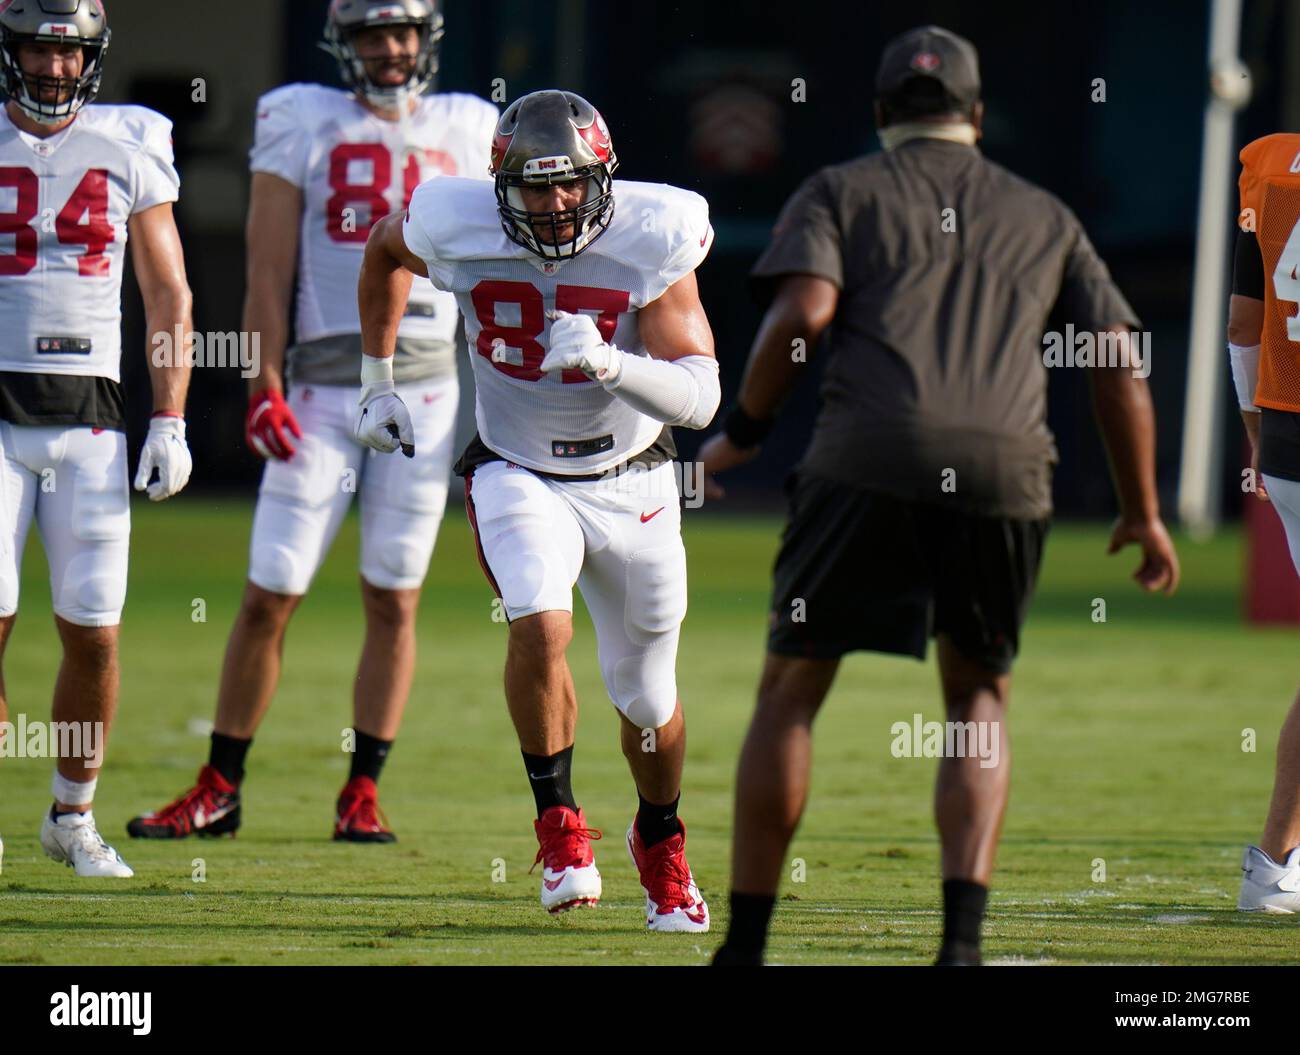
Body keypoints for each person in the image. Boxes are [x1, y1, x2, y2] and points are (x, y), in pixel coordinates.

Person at [704, 25, 1180, 964]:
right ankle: (959, 945)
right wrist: (1143, 509)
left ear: (881, 113)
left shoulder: (840, 189)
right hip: (1005, 474)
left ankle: (746, 947)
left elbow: (803, 313)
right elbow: (1119, 357)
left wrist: (744, 434)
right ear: (976, 115)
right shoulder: (1044, 215)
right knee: (975, 697)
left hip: (861, 463)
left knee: (792, 691)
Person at [127, 0, 495, 843]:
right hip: (325, 390)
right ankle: (221, 783)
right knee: (269, 592)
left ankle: (361, 790)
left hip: (430, 386)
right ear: (345, 41)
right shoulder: (301, 115)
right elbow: (267, 264)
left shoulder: (471, 123)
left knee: (393, 597)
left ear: (425, 37)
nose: (392, 49)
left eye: (403, 32)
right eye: (374, 32)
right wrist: (263, 378)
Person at [356, 90, 719, 930]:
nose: (555, 205)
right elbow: (382, 253)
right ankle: (559, 825)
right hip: (516, 469)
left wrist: (610, 364)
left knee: (647, 695)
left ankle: (659, 837)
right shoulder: (454, 219)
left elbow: (700, 398)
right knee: (539, 623)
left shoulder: (651, 232)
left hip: (634, 475)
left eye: (571, 186)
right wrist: (376, 385)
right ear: (499, 186)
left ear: (603, 179)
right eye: (534, 188)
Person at [0, 0, 194, 877]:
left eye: (67, 53)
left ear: (93, 59)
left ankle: (70, 815)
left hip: (91, 423)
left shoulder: (130, 141)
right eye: (38, 50)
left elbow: (168, 294)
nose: (52, 70)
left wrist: (171, 415)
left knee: (96, 633)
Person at [1229, 132, 1300, 912]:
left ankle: (1279, 865)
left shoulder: (1273, 168)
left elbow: (1244, 325)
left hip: (1287, 443)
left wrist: (1254, 429)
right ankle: (1276, 865)